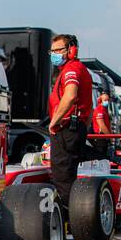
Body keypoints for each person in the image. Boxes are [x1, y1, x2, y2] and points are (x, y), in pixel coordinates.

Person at [46, 33, 94, 213]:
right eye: (52, 51)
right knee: (69, 174)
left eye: (59, 50)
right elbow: (89, 109)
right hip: (75, 128)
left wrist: (54, 122)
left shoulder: (71, 69)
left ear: (72, 50)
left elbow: (71, 96)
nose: (55, 54)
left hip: (66, 128)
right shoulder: (81, 70)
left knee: (63, 177)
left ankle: (67, 219)